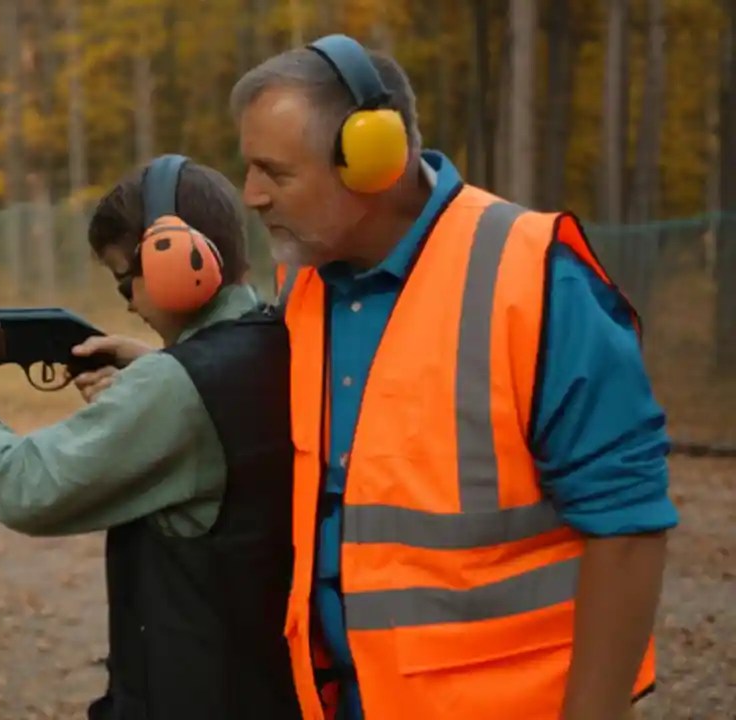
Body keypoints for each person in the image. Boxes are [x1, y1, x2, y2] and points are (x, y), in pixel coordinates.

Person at [228, 34, 677, 720]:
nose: (252, 195)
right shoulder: (305, 283)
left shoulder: (534, 278)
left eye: (275, 172)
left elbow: (628, 527)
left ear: (375, 164)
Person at [0, 154, 303, 720]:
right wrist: (157, 366)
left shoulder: (176, 386)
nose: (130, 303)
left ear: (178, 260)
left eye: (128, 281)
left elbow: (21, 486)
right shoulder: (275, 339)